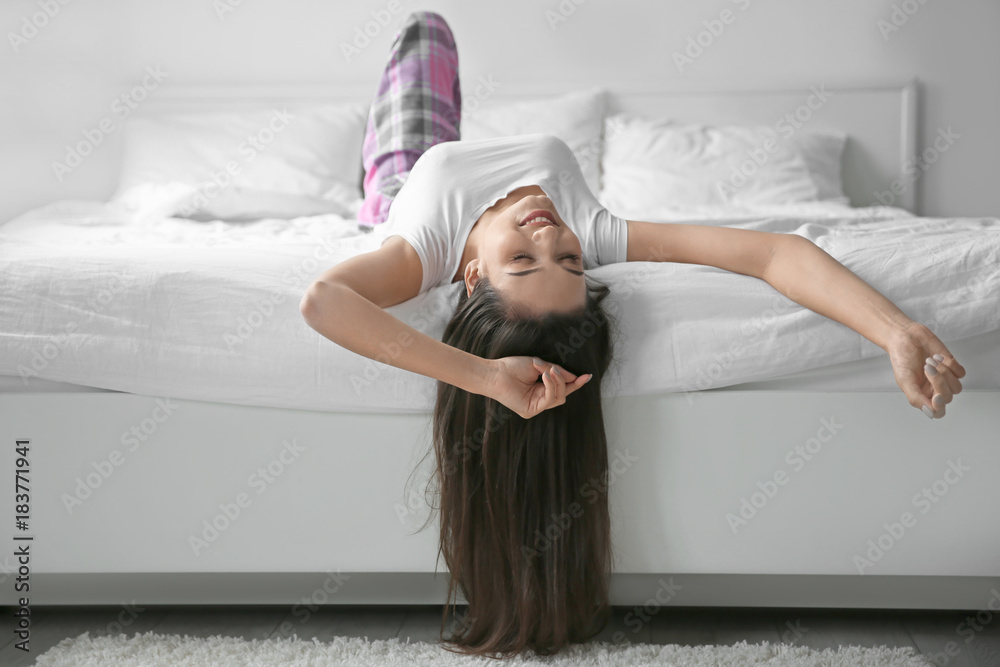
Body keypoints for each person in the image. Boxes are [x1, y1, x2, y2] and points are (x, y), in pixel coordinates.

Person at [299, 11, 966, 658]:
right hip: (435, 177)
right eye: (567, 260)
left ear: (472, 277)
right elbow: (773, 253)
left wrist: (489, 378)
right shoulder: (591, 229)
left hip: (404, 182)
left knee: (424, 32)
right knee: (429, 30)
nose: (549, 235)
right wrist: (897, 331)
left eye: (527, 259)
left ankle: (369, 195)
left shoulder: (424, 249)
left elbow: (325, 301)